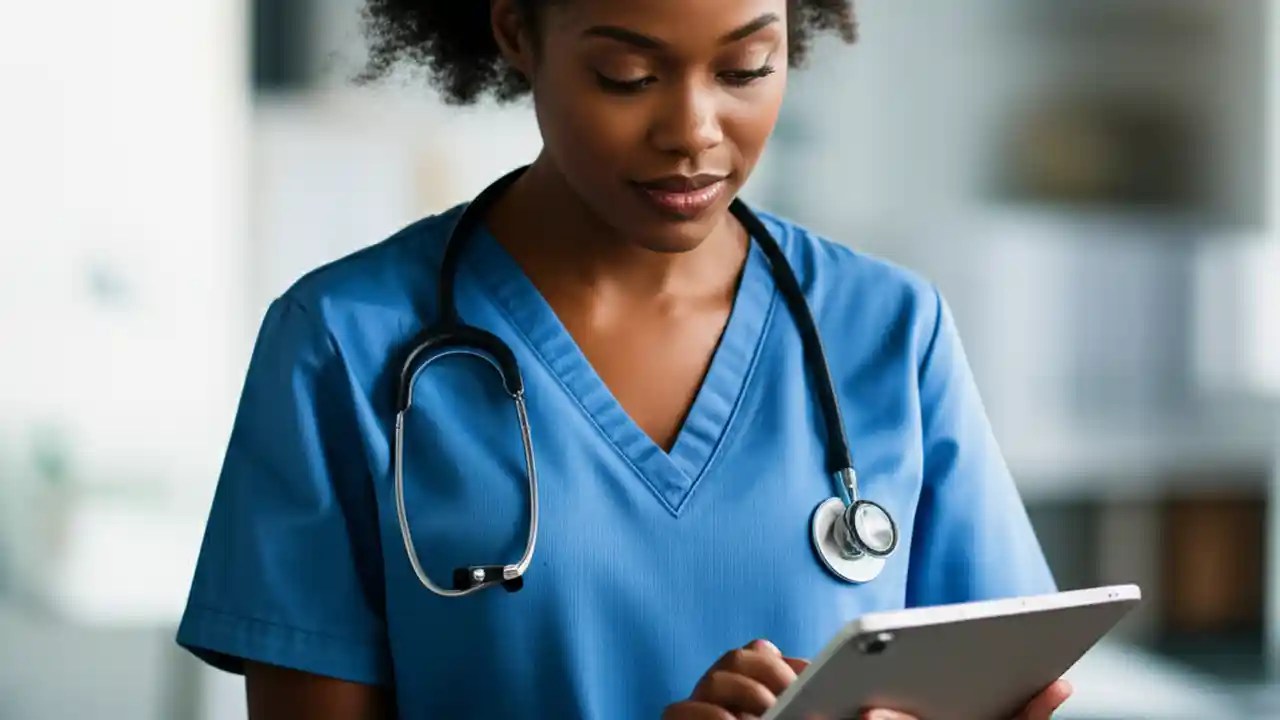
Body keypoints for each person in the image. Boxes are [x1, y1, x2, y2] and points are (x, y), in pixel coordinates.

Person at [175, 1, 1074, 718]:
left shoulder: (888, 330)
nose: (693, 130)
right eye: (629, 76)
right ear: (517, 31)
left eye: (745, 69)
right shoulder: (344, 341)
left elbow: (994, 685)